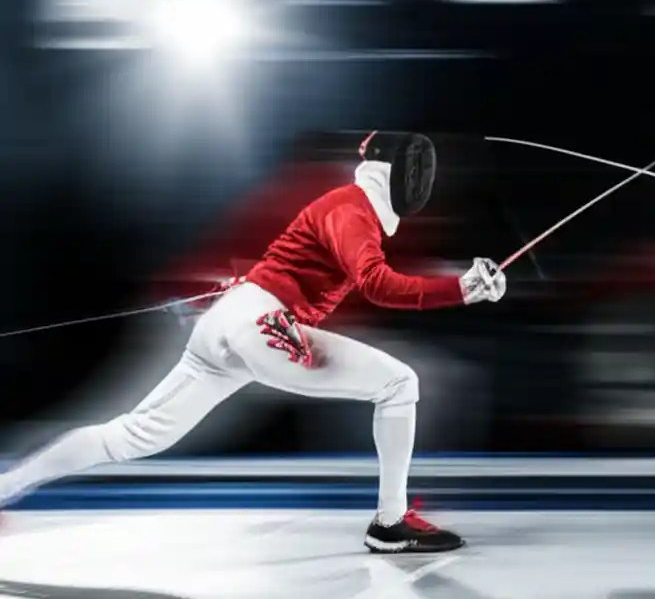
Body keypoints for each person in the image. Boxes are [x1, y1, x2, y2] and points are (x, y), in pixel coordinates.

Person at [0, 131, 507, 554]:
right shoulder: (351, 210)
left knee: (131, 436)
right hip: (262, 327)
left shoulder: (349, 211)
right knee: (400, 383)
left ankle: (5, 488)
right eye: (418, 171)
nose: (424, 182)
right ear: (395, 174)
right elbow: (378, 283)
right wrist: (461, 288)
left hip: (230, 325)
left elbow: (371, 276)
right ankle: (389, 524)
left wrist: (464, 283)